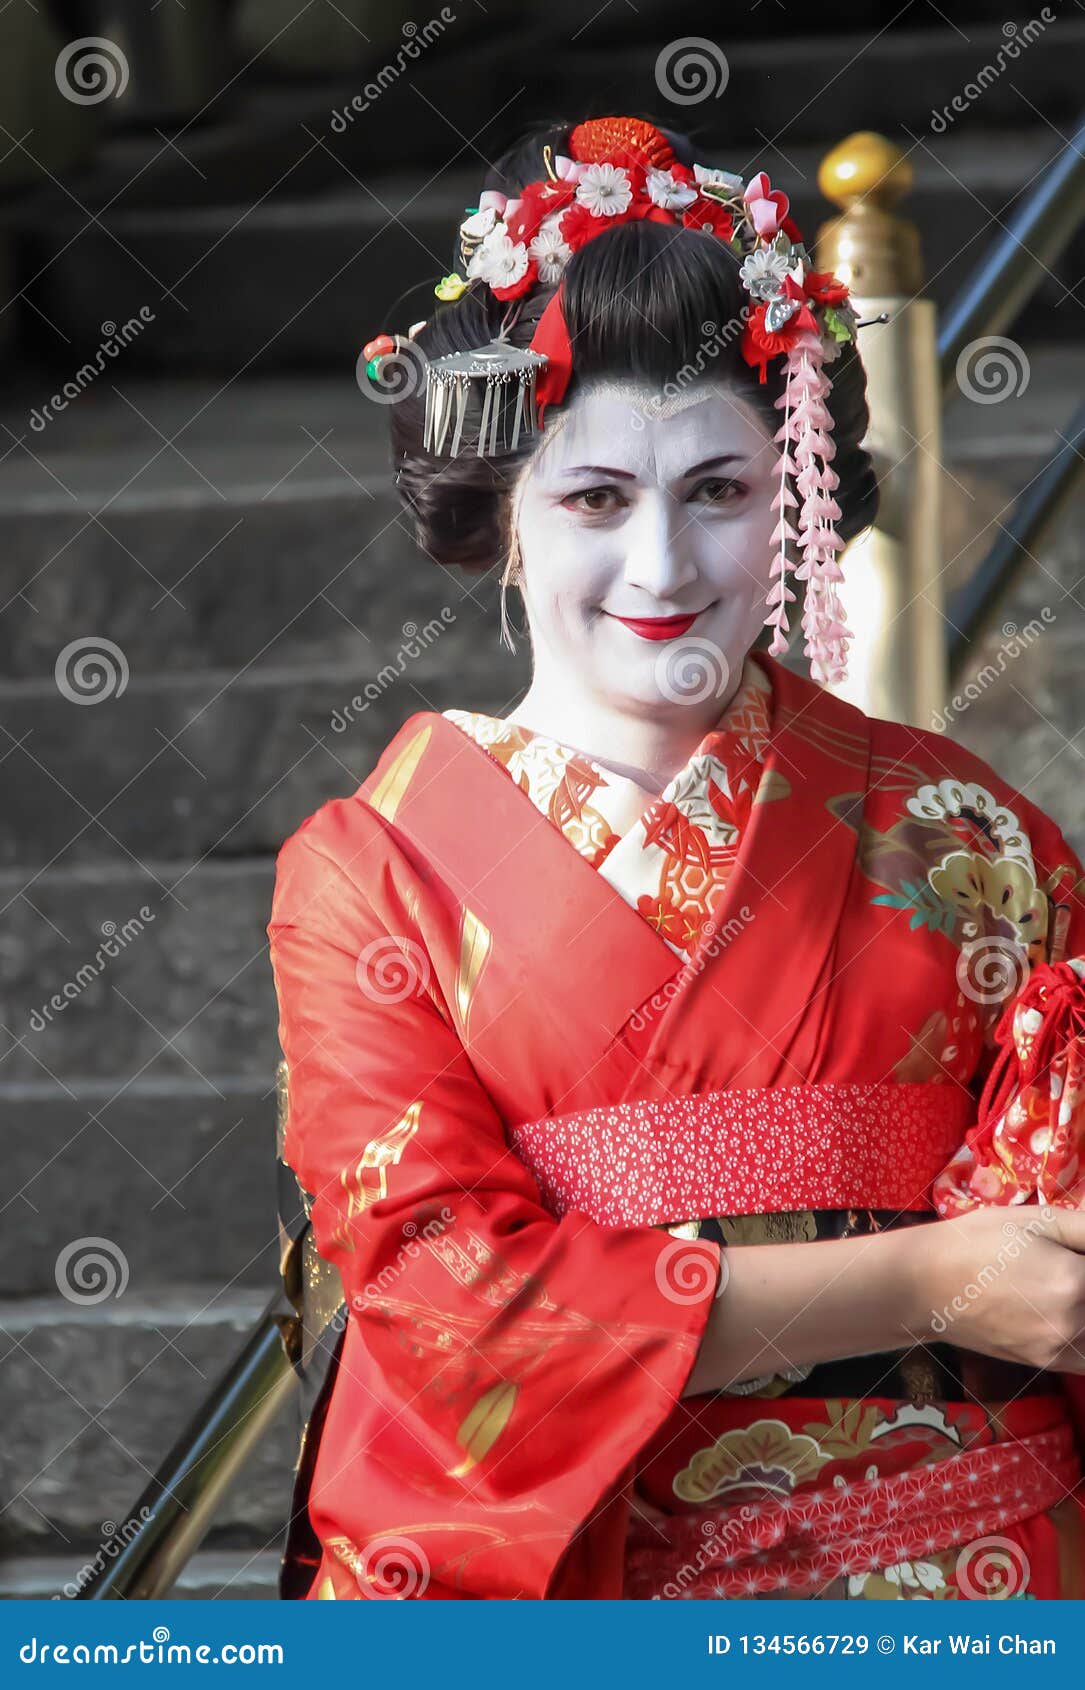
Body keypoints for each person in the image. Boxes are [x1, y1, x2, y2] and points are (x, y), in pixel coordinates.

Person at [267, 114, 1085, 1602]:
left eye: (719, 488)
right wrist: (924, 1276)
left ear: (797, 491)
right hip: (578, 1569)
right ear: (502, 510)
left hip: (968, 1561)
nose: (661, 570)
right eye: (593, 498)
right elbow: (443, 1305)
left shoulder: (973, 836)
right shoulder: (372, 872)